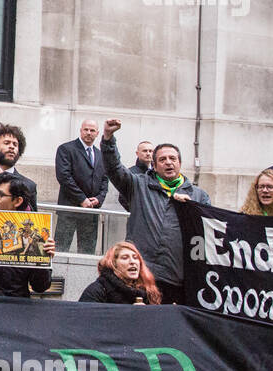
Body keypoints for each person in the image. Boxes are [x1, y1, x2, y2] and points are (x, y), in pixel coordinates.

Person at [101, 119, 210, 305]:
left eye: (172, 159)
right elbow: (114, 169)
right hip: (140, 276)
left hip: (175, 279)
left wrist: (192, 209)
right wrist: (108, 139)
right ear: (154, 165)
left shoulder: (198, 196)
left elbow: (207, 233)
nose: (168, 163)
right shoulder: (138, 185)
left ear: (180, 163)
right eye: (162, 159)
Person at [54, 119, 108, 252]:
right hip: (69, 209)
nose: (89, 133)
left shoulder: (101, 155)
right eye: (86, 130)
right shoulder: (66, 149)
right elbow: (64, 177)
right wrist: (81, 199)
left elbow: (105, 180)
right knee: (61, 248)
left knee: (87, 252)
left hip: (91, 212)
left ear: (97, 133)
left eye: (92, 130)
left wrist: (99, 198)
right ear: (81, 130)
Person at [78, 241, 162, 305]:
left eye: (135, 257)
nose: (132, 262)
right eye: (125, 258)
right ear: (113, 265)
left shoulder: (148, 291)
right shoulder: (97, 290)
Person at [117, 140, 153, 210]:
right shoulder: (130, 172)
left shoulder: (158, 172)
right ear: (137, 153)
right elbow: (122, 198)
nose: (148, 153)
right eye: (145, 151)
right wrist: (137, 212)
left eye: (150, 151)